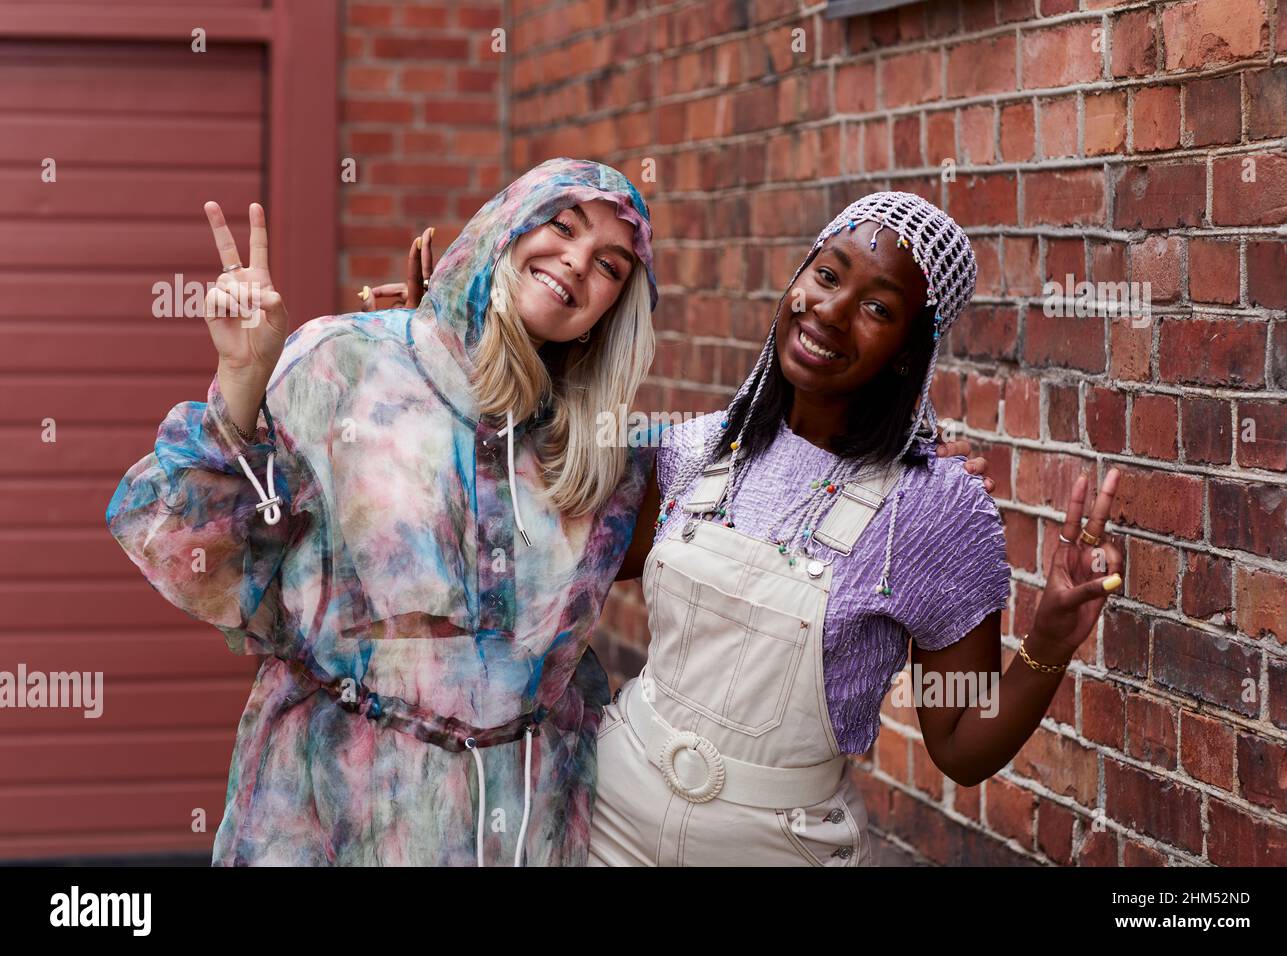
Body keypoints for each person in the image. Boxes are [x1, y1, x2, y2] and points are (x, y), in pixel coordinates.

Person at [105, 157, 662, 866]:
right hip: (325, 814)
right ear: (507, 227)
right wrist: (241, 384)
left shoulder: (595, 452)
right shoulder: (349, 364)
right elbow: (193, 554)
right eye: (562, 225)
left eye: (610, 265)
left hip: (517, 827)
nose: (577, 263)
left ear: (615, 307)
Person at [587, 191, 1125, 866]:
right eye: (828, 274)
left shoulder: (934, 512)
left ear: (909, 350)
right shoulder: (694, 450)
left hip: (777, 846)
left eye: (878, 308)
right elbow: (555, 557)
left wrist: (1047, 642)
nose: (832, 313)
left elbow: (960, 746)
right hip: (611, 814)